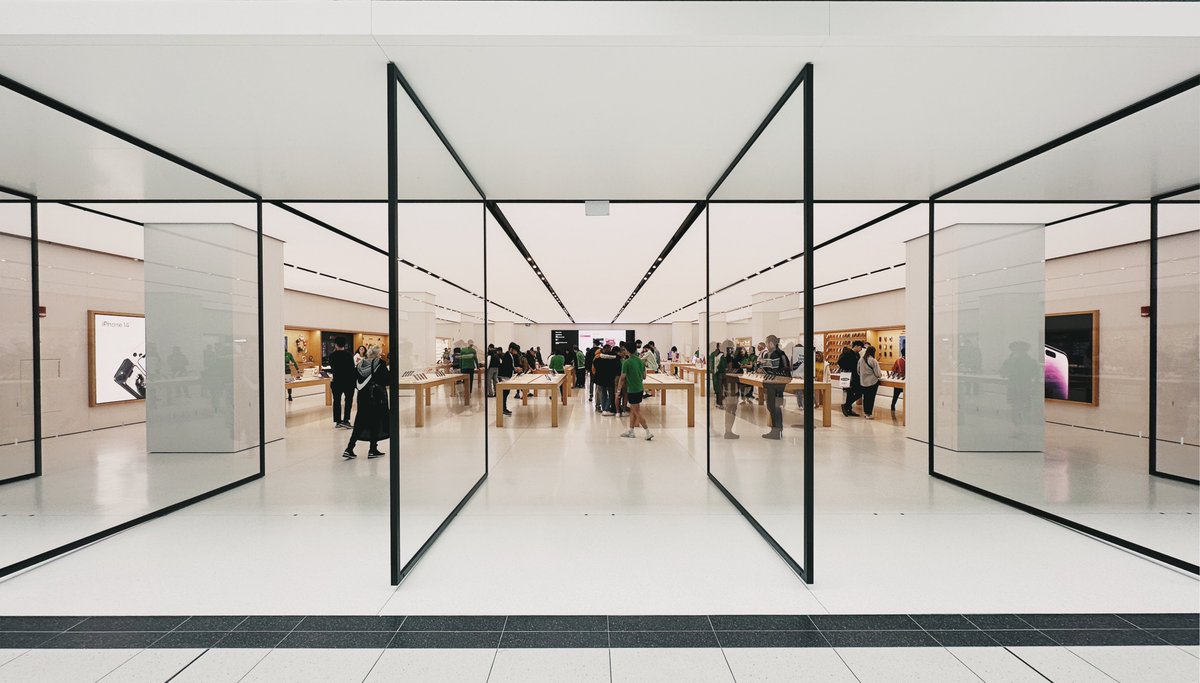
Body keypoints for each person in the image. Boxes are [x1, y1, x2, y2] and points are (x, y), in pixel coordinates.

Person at [342, 344, 389, 459]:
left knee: (360, 421)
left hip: (363, 397)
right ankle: (372, 449)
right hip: (376, 397)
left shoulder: (360, 364)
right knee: (375, 422)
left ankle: (350, 448)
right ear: (378, 354)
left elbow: (354, 380)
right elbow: (386, 380)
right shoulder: (380, 363)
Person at [617, 344, 652, 440]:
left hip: (632, 390)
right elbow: (644, 376)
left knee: (636, 411)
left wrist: (618, 390)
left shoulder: (626, 362)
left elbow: (622, 378)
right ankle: (631, 431)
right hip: (640, 389)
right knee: (633, 410)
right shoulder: (640, 361)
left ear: (627, 351)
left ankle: (648, 431)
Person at [760, 335, 791, 439]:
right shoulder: (781, 353)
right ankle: (777, 429)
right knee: (775, 406)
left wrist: (762, 367)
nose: (766, 346)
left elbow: (770, 369)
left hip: (774, 384)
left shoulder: (774, 354)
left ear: (771, 343)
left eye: (767, 343)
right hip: (779, 384)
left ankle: (776, 431)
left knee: (773, 406)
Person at [329, 336, 355, 429]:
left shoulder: (332, 355)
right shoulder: (349, 355)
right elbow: (352, 369)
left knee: (336, 401)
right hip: (349, 382)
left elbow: (332, 367)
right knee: (348, 401)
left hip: (337, 381)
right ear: (345, 345)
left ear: (336, 345)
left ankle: (338, 421)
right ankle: (346, 420)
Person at [839, 340, 865, 416]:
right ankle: (847, 407)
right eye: (860, 347)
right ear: (856, 346)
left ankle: (847, 407)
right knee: (854, 392)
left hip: (855, 376)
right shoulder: (848, 353)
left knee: (856, 393)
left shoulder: (856, 354)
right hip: (850, 377)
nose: (861, 349)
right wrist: (848, 368)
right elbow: (841, 362)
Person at [858, 344, 883, 420]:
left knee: (865, 398)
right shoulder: (873, 360)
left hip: (863, 382)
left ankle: (866, 413)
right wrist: (879, 375)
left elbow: (858, 371)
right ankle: (869, 414)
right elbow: (878, 374)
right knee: (871, 398)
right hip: (872, 382)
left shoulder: (861, 359)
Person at [592, 343, 619, 415]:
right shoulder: (614, 358)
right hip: (610, 379)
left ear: (603, 349)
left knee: (603, 393)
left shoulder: (597, 358)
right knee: (611, 394)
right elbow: (616, 369)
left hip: (600, 379)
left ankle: (604, 408)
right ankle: (607, 409)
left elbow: (594, 366)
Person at [499, 343, 522, 416]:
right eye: (515, 350)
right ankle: (503, 409)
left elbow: (511, 366)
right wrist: (515, 368)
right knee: (505, 393)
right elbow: (508, 366)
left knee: (506, 393)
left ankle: (504, 408)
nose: (516, 352)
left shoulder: (510, 355)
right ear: (511, 349)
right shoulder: (507, 355)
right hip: (504, 377)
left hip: (507, 376)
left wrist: (515, 368)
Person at [458, 340, 477, 404]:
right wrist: (478, 367)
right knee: (470, 380)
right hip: (471, 367)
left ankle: (465, 393)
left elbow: (460, 359)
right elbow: (475, 359)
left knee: (464, 380)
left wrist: (460, 367)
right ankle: (469, 393)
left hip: (464, 368)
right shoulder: (473, 351)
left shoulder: (463, 350)